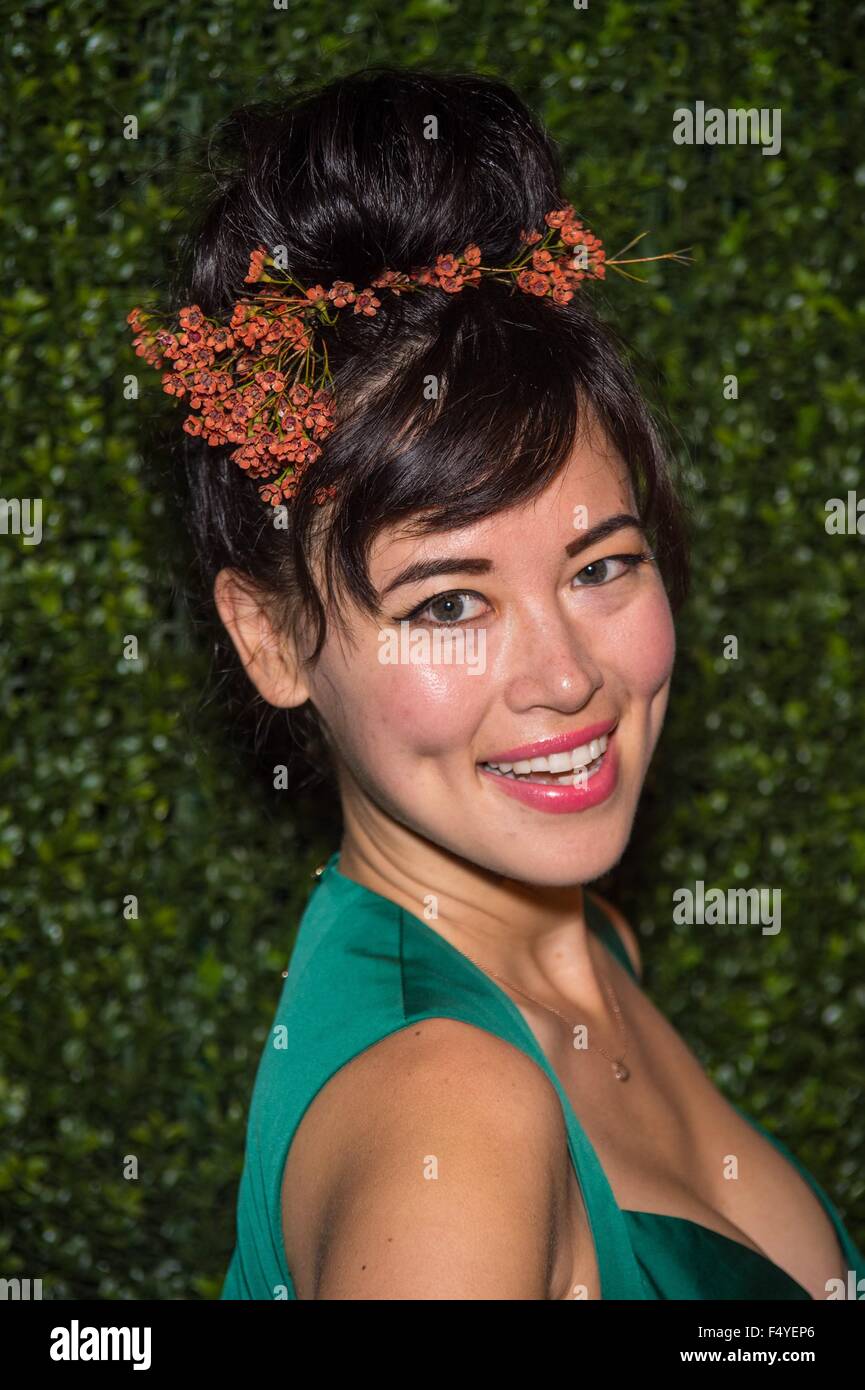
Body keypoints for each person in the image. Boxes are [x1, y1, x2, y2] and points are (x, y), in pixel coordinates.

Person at [141, 67, 863, 1299]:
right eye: (449, 603)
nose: (568, 676)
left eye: (601, 566)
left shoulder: (584, 943)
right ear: (270, 637)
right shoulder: (447, 1114)